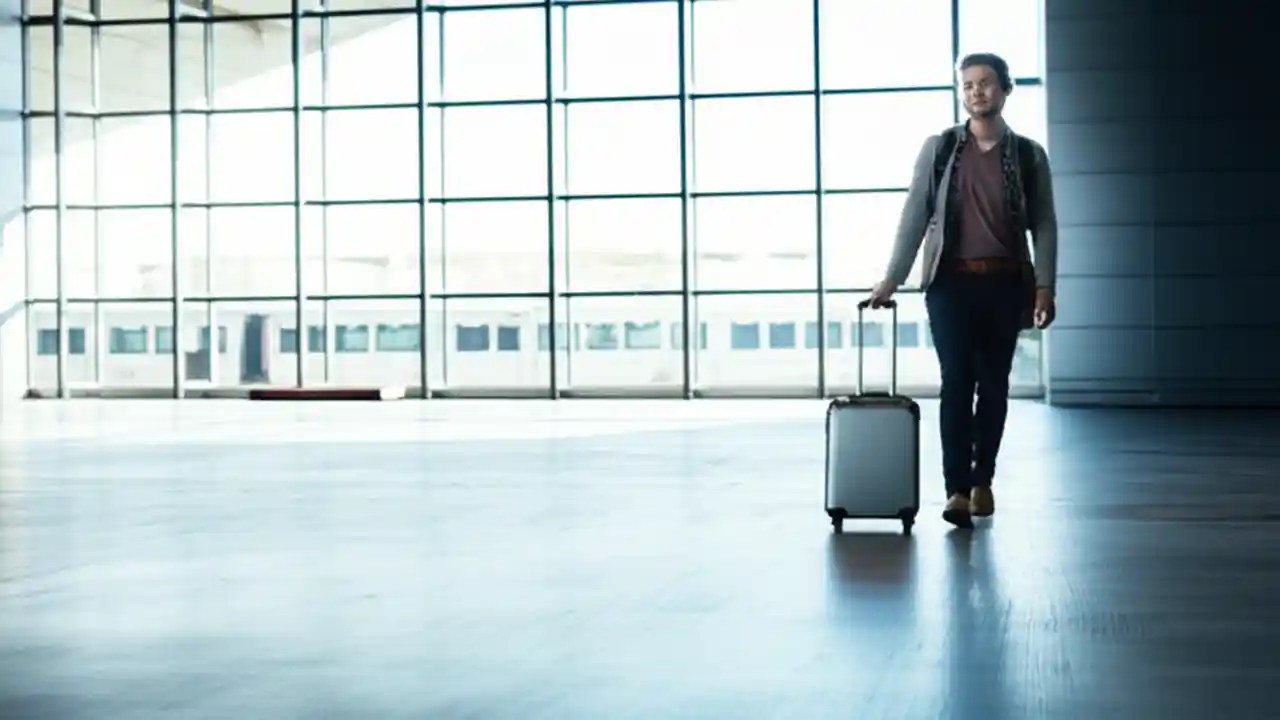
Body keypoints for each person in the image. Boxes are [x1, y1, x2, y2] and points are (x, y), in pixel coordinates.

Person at [865, 52, 1058, 529]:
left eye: (985, 83)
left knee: (993, 383)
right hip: (949, 282)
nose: (976, 92)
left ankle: (982, 479)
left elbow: (1044, 224)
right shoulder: (942, 148)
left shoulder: (1028, 154)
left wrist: (1045, 286)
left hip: (1005, 282)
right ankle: (956, 490)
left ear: (1006, 89)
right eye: (968, 84)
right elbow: (915, 214)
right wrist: (892, 278)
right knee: (956, 380)